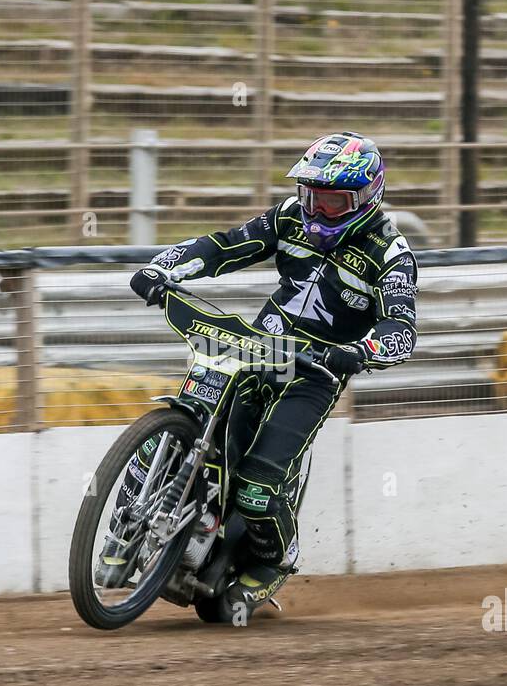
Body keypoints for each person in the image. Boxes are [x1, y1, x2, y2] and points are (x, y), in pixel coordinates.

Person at [100, 131, 419, 617]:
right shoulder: (288, 217)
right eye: (311, 195)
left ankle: (273, 561)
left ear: (366, 197)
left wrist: (359, 351)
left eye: (333, 201)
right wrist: (163, 269)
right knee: (167, 427)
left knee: (255, 488)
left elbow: (401, 328)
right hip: (255, 346)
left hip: (314, 372)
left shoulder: (390, 254)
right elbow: (226, 246)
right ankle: (124, 528)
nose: (317, 210)